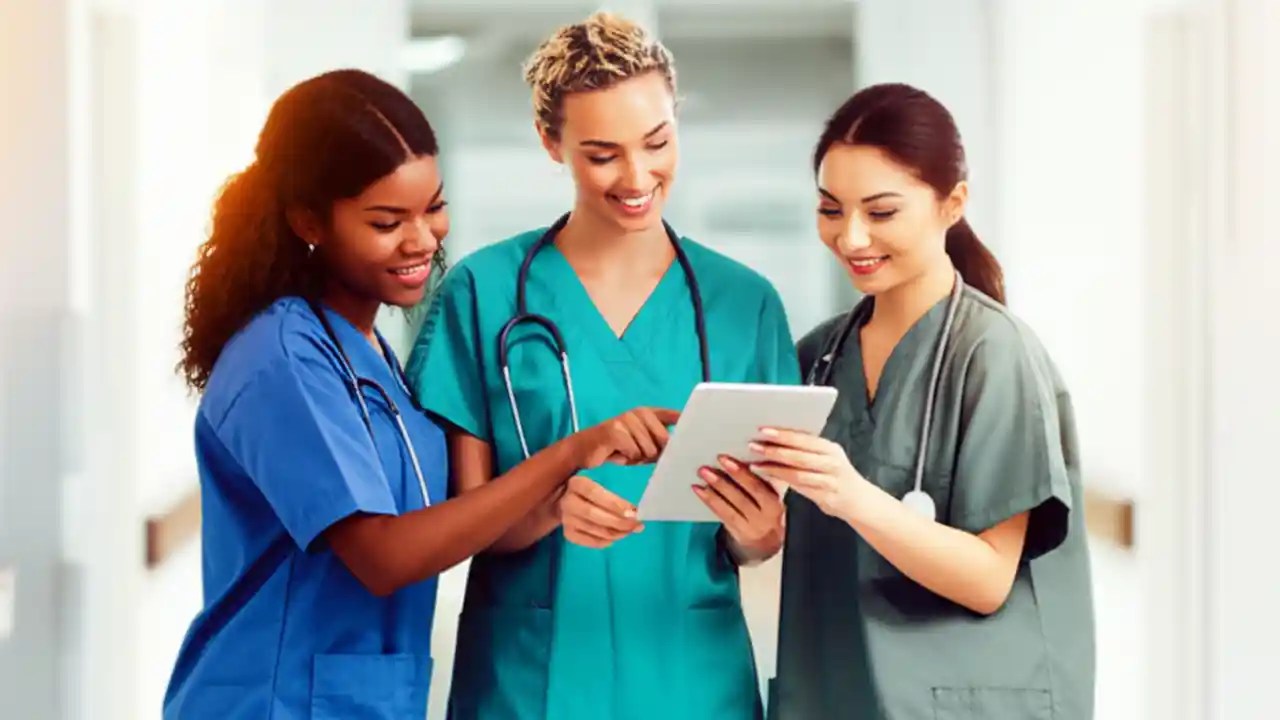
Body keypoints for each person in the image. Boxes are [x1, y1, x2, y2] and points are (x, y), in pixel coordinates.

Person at [164, 69, 669, 720]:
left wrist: (562, 499)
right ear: (308, 219)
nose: (424, 240)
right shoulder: (283, 359)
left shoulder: (366, 350)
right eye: (386, 221)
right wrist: (570, 451)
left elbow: (457, 523)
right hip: (270, 700)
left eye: (433, 207)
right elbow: (384, 555)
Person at [405, 12, 799, 720]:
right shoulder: (485, 293)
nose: (638, 175)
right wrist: (553, 507)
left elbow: (760, 540)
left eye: (657, 142)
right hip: (532, 681)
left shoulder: (746, 305)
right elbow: (466, 524)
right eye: (602, 153)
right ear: (550, 143)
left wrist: (758, 530)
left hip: (693, 681)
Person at [760, 83, 1096, 719]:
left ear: (952, 204)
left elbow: (988, 579)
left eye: (881, 212)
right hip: (836, 693)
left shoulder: (994, 354)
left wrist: (851, 495)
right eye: (831, 210)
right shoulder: (816, 360)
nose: (852, 237)